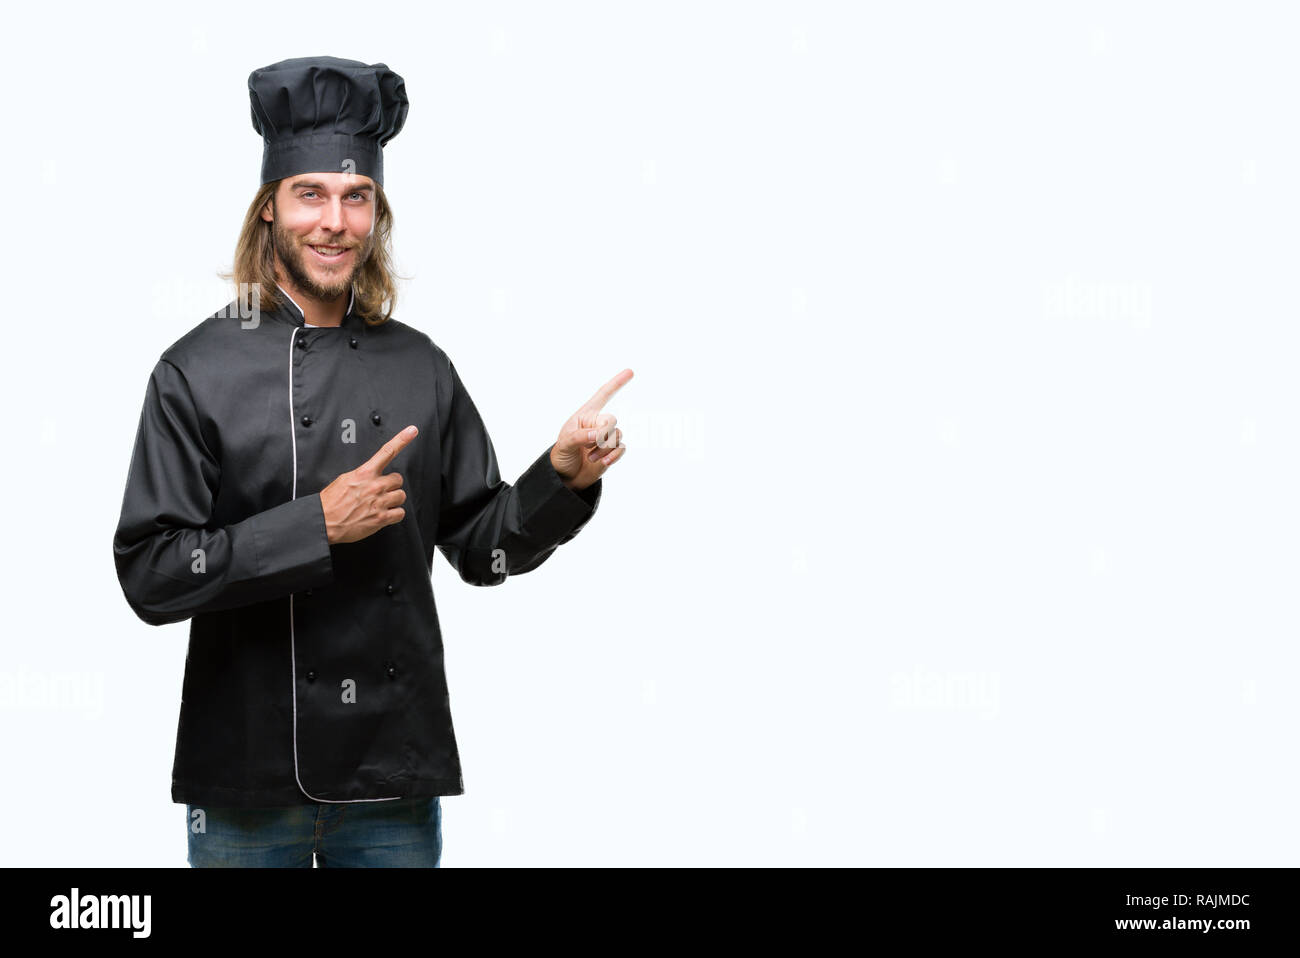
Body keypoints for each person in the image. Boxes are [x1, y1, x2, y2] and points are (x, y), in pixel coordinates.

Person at [112, 55, 630, 867]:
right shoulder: (195, 370)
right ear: (269, 210)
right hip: (247, 784)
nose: (335, 220)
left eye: (358, 198)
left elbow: (483, 547)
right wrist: (315, 524)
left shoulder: (420, 366)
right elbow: (149, 573)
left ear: (377, 216)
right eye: (310, 194)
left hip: (394, 780)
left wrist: (560, 477)